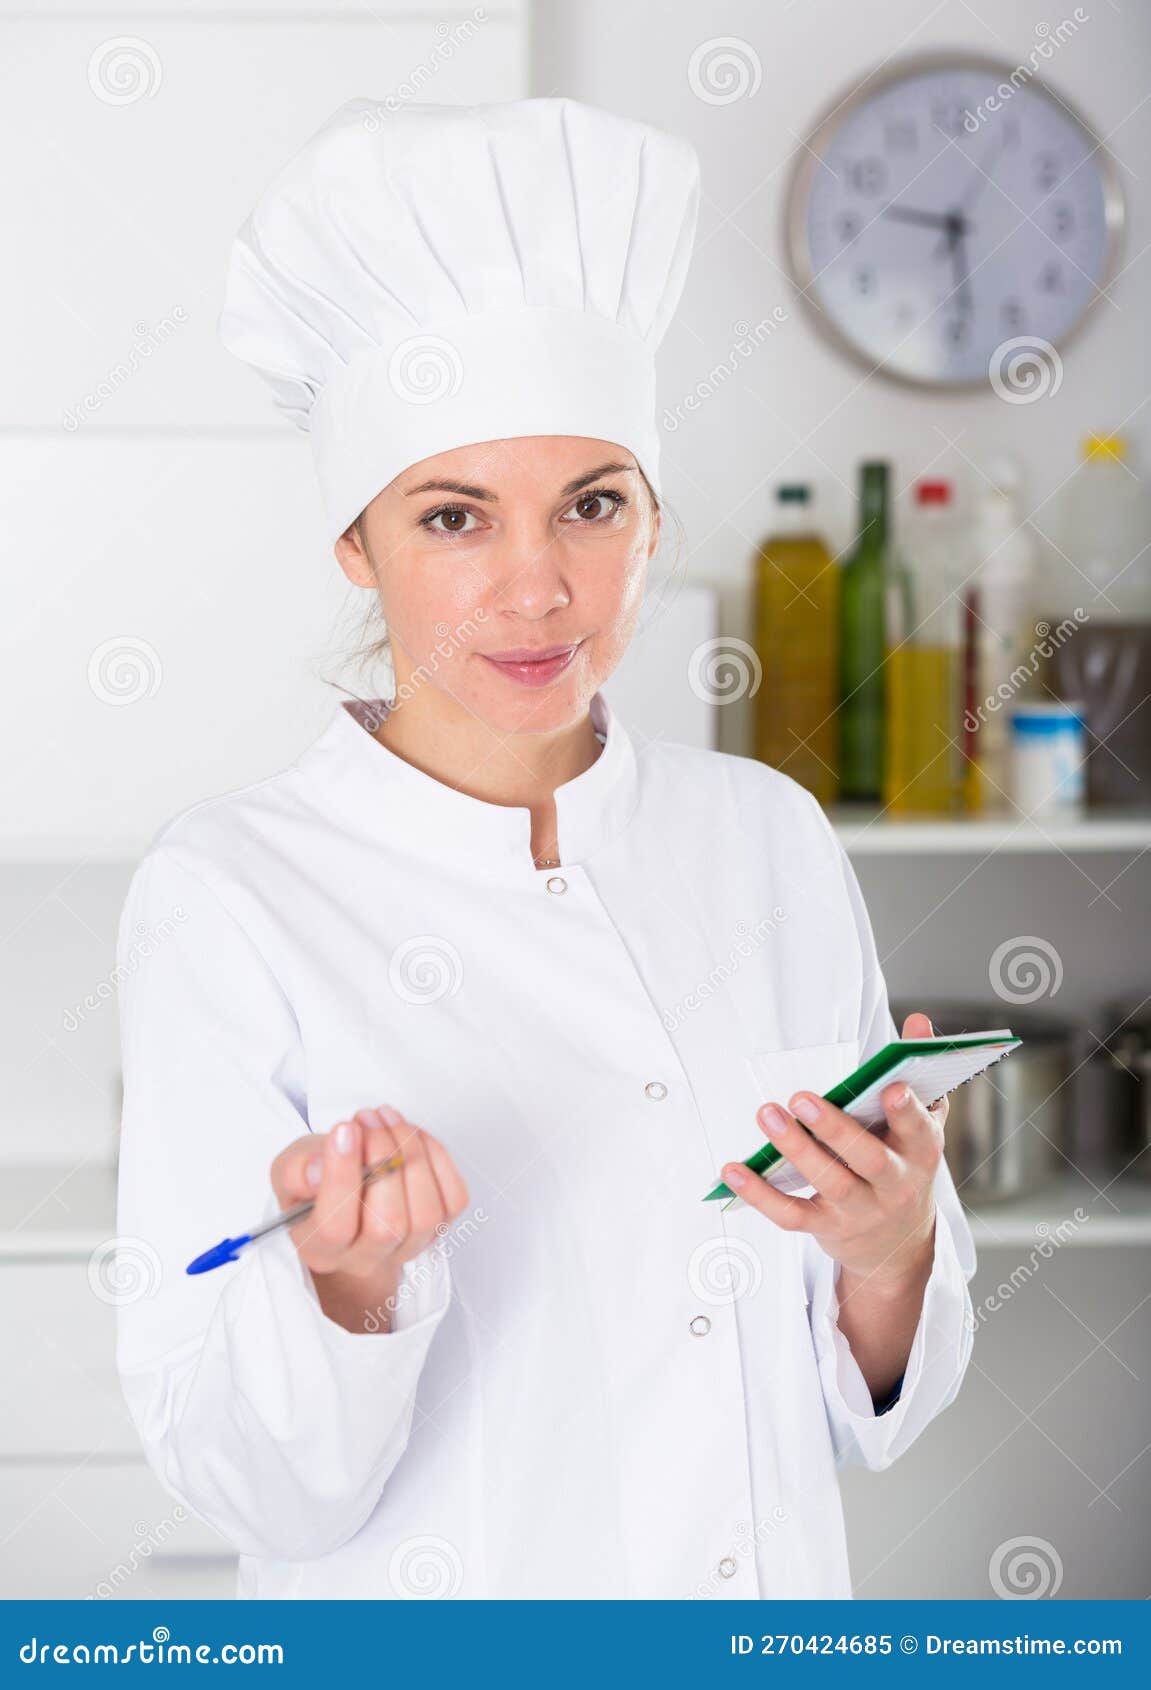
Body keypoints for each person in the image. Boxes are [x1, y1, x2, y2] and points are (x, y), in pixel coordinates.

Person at [114, 95, 976, 1602]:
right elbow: (242, 1479)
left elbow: (867, 1410)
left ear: (652, 523)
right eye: (455, 518)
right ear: (358, 551)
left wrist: (891, 1248)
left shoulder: (764, 836)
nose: (538, 587)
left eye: (592, 505)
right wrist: (352, 1286)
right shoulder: (232, 893)